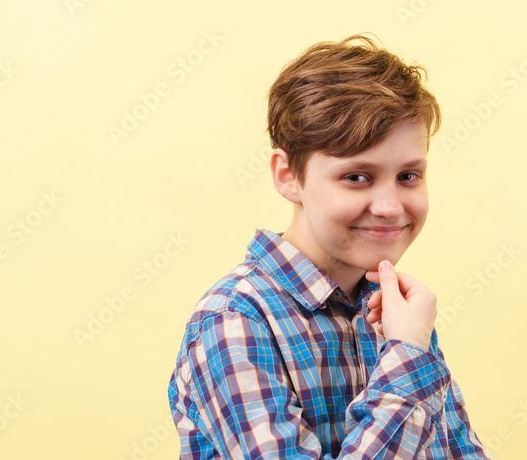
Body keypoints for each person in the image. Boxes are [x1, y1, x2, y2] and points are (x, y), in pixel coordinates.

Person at [167, 33, 494, 459]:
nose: (390, 207)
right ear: (288, 176)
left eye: (408, 176)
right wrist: (409, 360)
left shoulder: (397, 314)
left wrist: (411, 346)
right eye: (357, 177)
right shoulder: (233, 321)